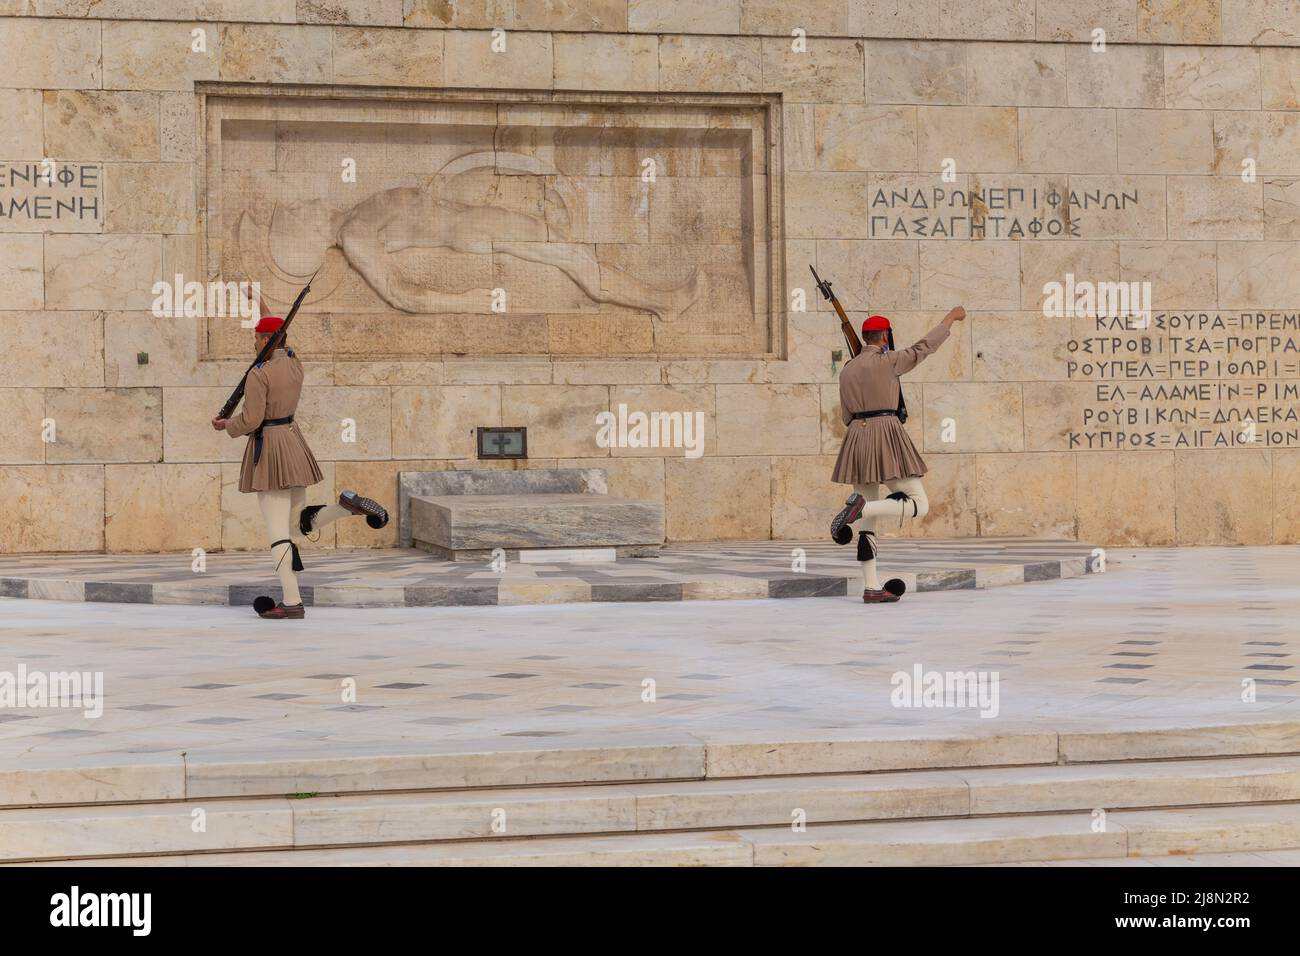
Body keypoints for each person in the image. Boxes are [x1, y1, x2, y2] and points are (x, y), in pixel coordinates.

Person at [211, 290, 389, 619]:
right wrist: (260, 301)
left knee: (278, 532)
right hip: (294, 443)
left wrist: (227, 425)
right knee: (297, 522)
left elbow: (251, 420)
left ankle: (291, 602)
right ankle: (343, 507)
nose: (253, 342)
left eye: (256, 337)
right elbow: (278, 332)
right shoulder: (293, 361)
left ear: (264, 338)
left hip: (271, 450)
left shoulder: (258, 374)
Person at [829, 306, 966, 603]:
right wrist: (950, 318)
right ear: (883, 337)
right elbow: (924, 347)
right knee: (918, 504)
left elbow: (847, 414)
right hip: (886, 433)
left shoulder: (847, 370)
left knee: (868, 528)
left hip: (856, 438)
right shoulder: (890, 361)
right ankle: (860, 509)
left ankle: (871, 586)